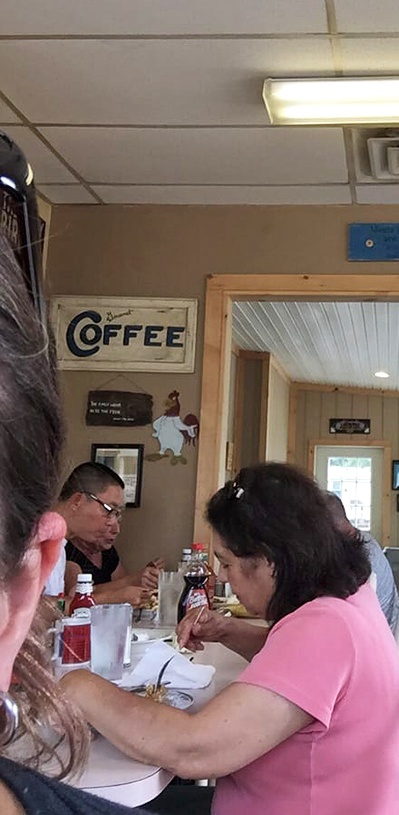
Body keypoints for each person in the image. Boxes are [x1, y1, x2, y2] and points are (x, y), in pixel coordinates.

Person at [61, 463, 399, 815]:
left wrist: (76, 683)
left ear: (268, 559)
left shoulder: (324, 629)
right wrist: (227, 630)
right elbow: (307, 673)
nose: (224, 577)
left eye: (226, 564)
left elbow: (193, 750)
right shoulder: (347, 601)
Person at [0, 234, 138, 814]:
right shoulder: (54, 553)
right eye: (108, 509)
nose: (113, 523)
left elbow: (121, 587)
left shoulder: (100, 551)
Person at [57, 462, 162, 605]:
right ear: (77, 501)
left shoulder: (59, 548)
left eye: (117, 514)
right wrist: (113, 597)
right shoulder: (34, 543)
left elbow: (57, 607)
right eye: (109, 510)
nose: (115, 527)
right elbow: (37, 608)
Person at [326, 492, 399, 630]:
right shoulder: (363, 540)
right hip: (381, 629)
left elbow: (336, 607)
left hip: (371, 633)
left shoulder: (355, 554)